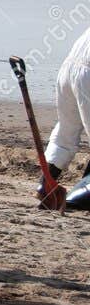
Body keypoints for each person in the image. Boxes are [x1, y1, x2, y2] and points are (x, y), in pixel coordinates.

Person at [49, 30, 90, 207]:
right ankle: (74, 200)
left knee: (65, 132)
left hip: (70, 67)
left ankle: (45, 185)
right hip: (87, 74)